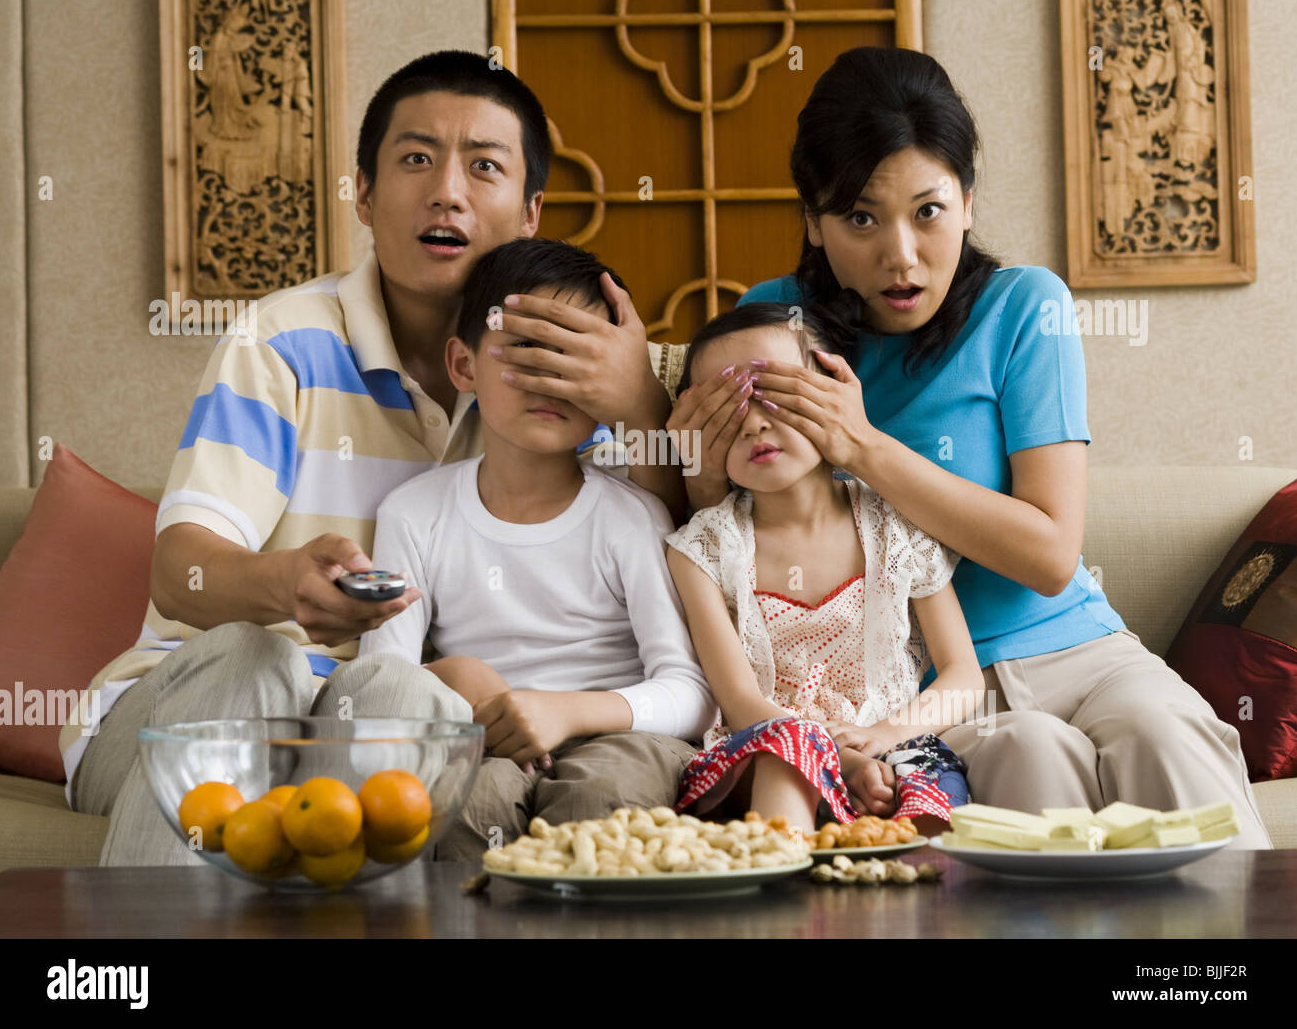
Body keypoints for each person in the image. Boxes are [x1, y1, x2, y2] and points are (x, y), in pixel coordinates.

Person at [62, 50, 688, 867]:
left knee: (406, 695)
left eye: (485, 167)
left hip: (380, 713)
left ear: (530, 211)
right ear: (362, 192)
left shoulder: (557, 369)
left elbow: (679, 568)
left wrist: (639, 398)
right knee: (267, 657)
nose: (448, 191)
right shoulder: (280, 342)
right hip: (197, 701)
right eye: (416, 158)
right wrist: (284, 582)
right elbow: (177, 570)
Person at [666, 45, 1271, 848]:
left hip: (1079, 651)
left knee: (1169, 737)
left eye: (928, 210)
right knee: (1030, 761)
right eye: (859, 218)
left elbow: (1051, 555)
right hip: (919, 694)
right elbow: (730, 521)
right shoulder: (775, 325)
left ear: (969, 200)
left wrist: (865, 446)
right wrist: (699, 477)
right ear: (812, 221)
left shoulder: (1026, 308)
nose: (901, 255)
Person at [359, 237, 716, 860]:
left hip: (620, 736)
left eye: (574, 355)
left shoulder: (633, 516)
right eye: (527, 349)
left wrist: (565, 712)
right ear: (464, 365)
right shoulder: (412, 514)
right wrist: (454, 680)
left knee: (600, 799)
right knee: (468, 806)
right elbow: (383, 685)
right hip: (484, 737)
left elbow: (689, 692)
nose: (552, 378)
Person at [663, 302, 979, 838]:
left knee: (929, 793)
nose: (755, 421)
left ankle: (913, 900)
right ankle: (781, 889)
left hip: (889, 743)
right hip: (762, 747)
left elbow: (963, 678)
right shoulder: (704, 549)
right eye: (728, 407)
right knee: (789, 755)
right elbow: (739, 702)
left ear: (832, 389)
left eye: (774, 394)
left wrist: (880, 736)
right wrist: (834, 755)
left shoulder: (897, 525)